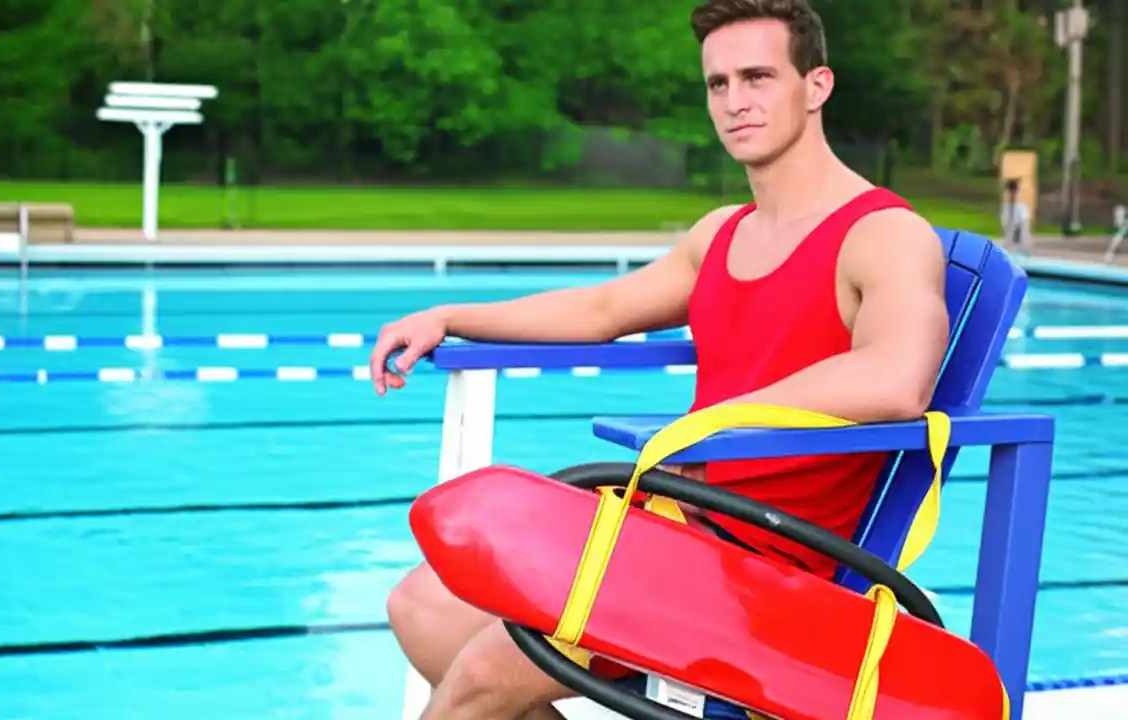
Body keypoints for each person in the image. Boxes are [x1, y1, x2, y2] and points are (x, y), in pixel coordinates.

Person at [368, 0, 950, 718]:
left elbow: (896, 378)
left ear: (817, 85)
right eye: (718, 84)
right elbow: (604, 310)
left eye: (759, 77)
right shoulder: (722, 234)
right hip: (674, 527)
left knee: (487, 674)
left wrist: (707, 429)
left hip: (763, 570)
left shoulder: (884, 234)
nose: (736, 102)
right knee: (421, 606)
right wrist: (451, 316)